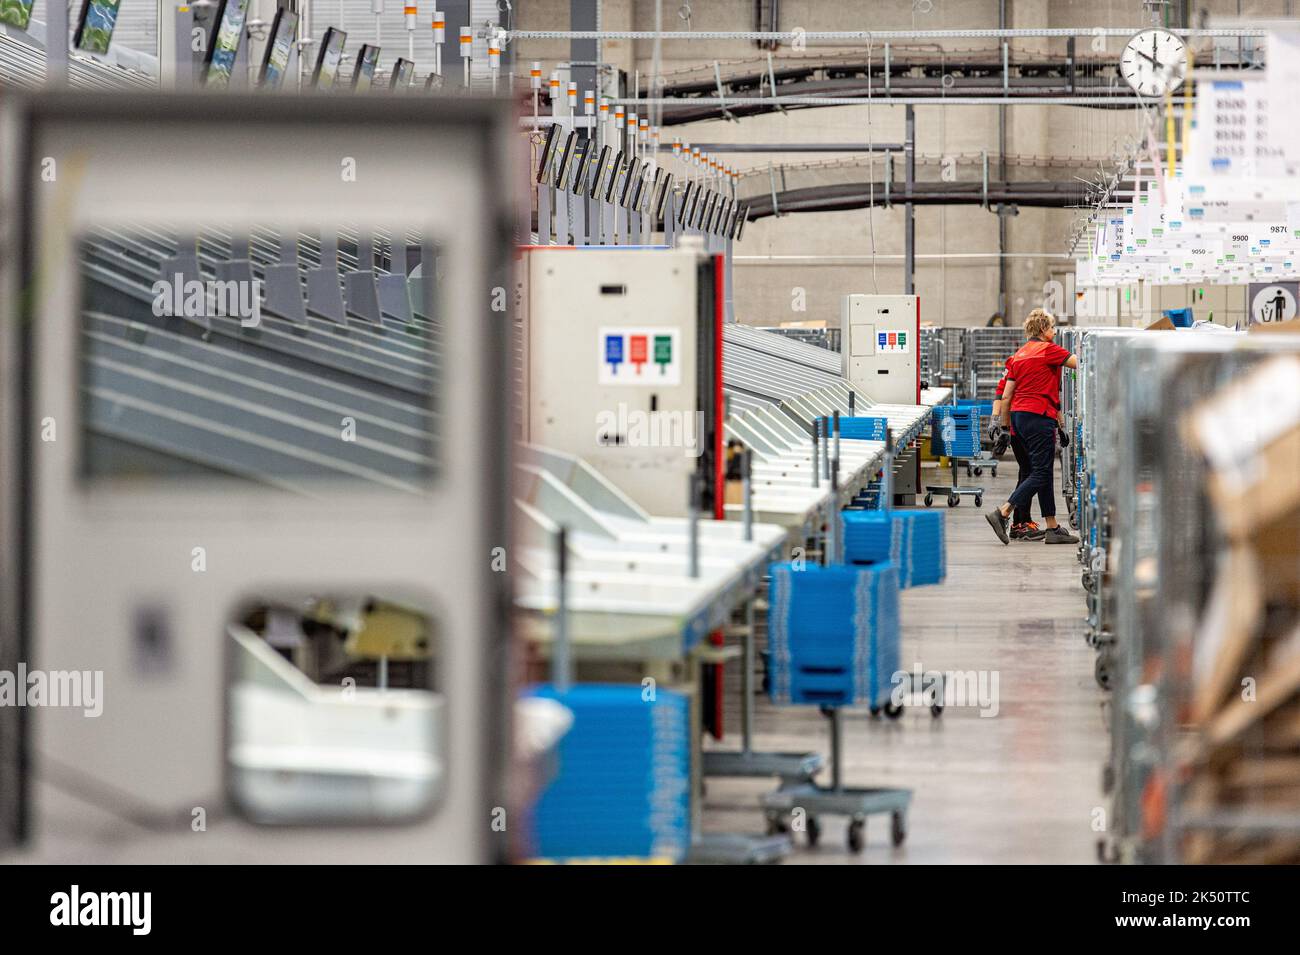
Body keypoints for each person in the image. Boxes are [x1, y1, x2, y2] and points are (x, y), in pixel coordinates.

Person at [985, 309, 1079, 546]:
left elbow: (1006, 396)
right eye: (1052, 328)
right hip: (1038, 417)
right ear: (1044, 330)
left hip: (1019, 418)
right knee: (1040, 472)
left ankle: (1052, 527)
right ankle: (1004, 512)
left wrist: (1003, 426)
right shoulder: (1049, 350)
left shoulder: (1019, 355)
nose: (1055, 332)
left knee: (1039, 471)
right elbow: (1081, 363)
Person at [990, 371, 1043, 541]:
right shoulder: (1018, 362)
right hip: (1018, 425)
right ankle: (1020, 523)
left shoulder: (1020, 360)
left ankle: (1020, 521)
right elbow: (1002, 394)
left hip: (1019, 423)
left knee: (1026, 472)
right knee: (1031, 472)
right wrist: (996, 419)